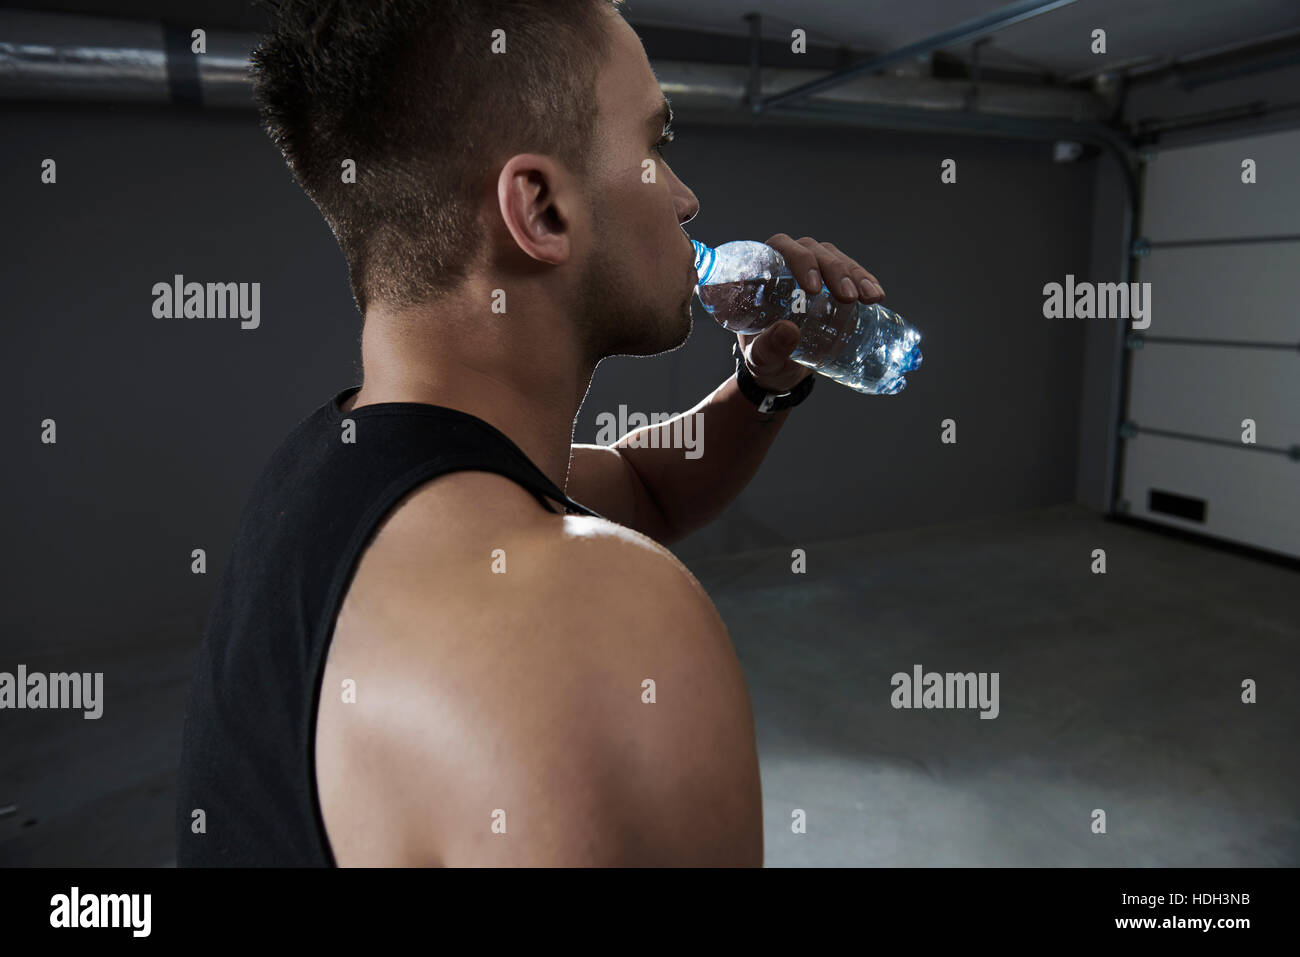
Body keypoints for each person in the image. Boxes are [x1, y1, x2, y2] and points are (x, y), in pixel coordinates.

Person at [175, 0, 886, 867]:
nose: (687, 197)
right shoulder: (601, 625)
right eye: (655, 149)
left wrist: (761, 384)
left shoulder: (328, 466)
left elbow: (642, 486)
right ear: (542, 209)